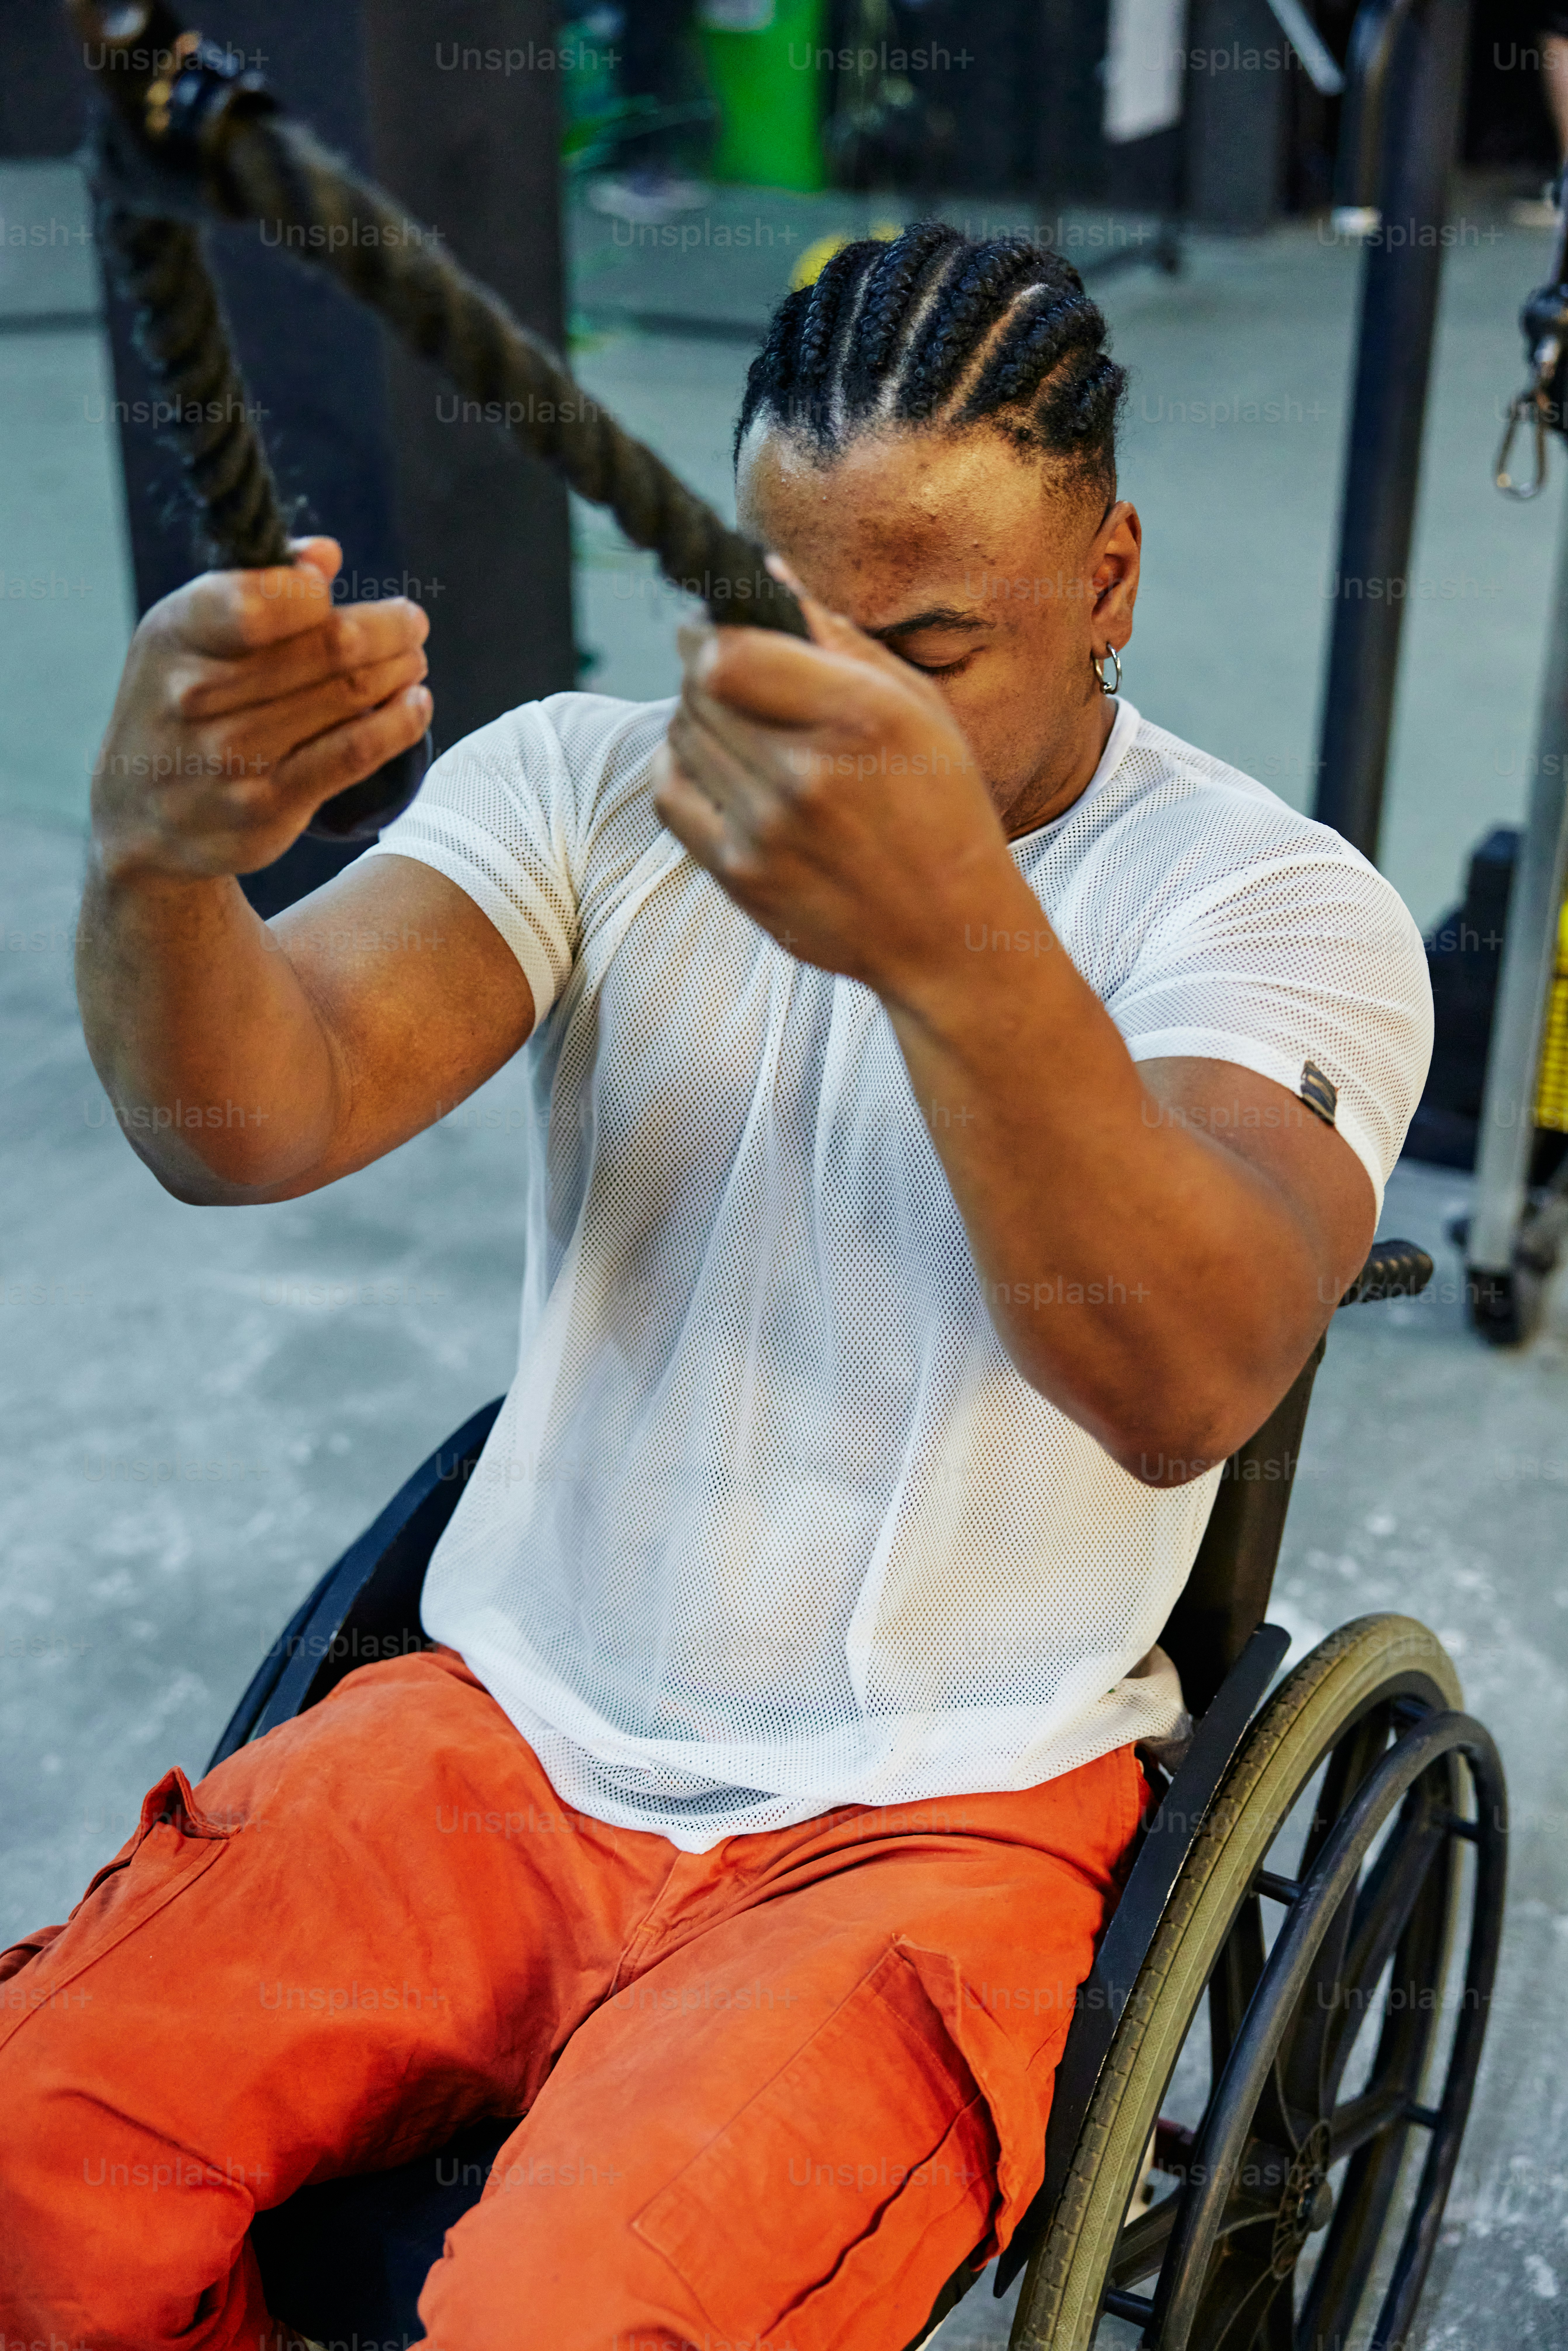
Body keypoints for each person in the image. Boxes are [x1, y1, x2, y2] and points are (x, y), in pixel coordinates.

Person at [0, 225, 1430, 2351]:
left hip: (930, 1816)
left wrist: (950, 936)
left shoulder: (1264, 904)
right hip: (496, 1737)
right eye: (773, 625)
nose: (830, 714)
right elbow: (251, 1121)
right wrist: (152, 862)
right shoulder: (591, 783)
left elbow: (1187, 1373)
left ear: (1108, 583)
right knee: (31, 2172)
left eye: (929, 650)